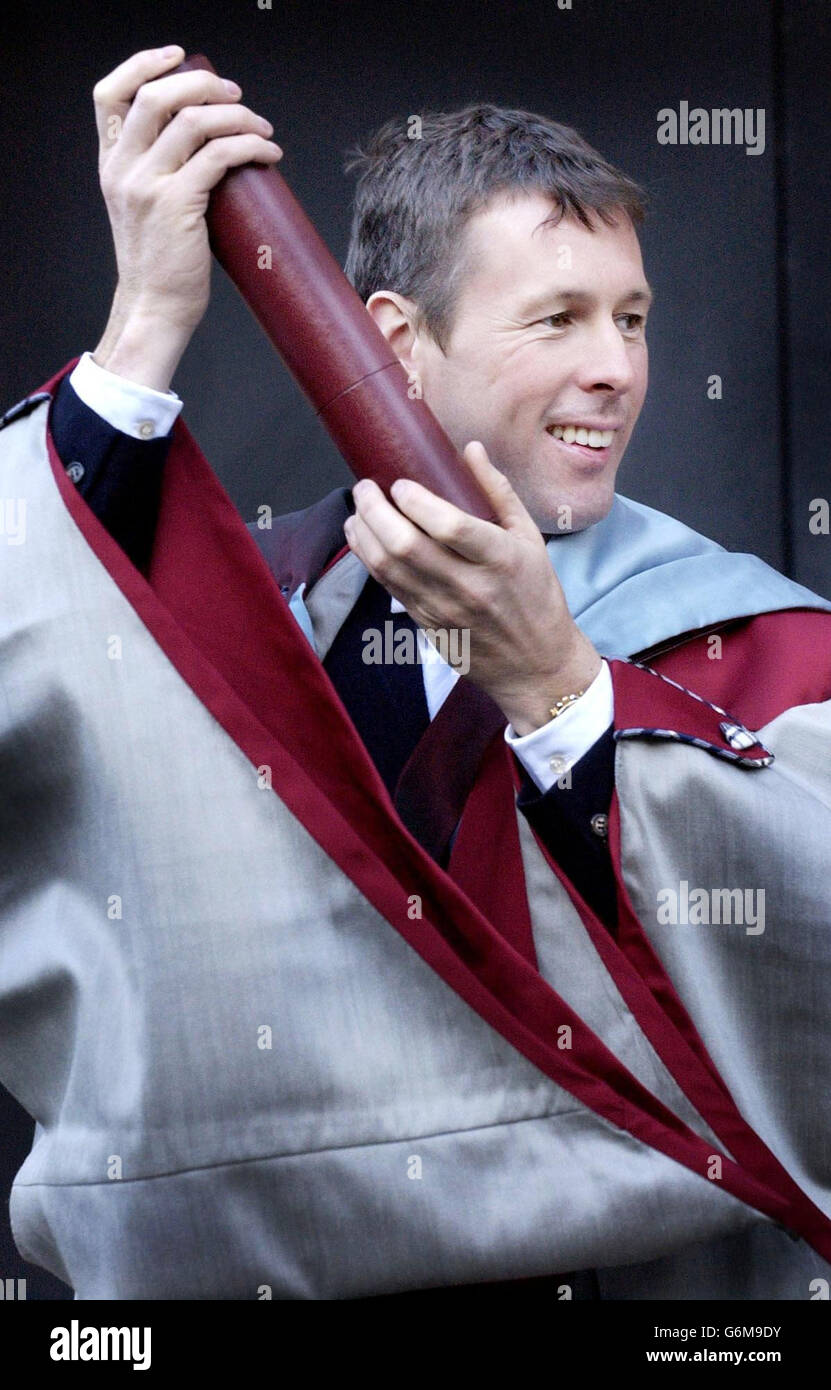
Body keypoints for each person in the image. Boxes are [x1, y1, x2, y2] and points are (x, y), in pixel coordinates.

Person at [1, 44, 830, 1301]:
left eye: (634, 318)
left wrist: (562, 694)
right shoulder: (256, 615)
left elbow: (801, 956)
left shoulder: (761, 644)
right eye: (558, 317)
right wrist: (142, 331)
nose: (617, 366)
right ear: (394, 341)